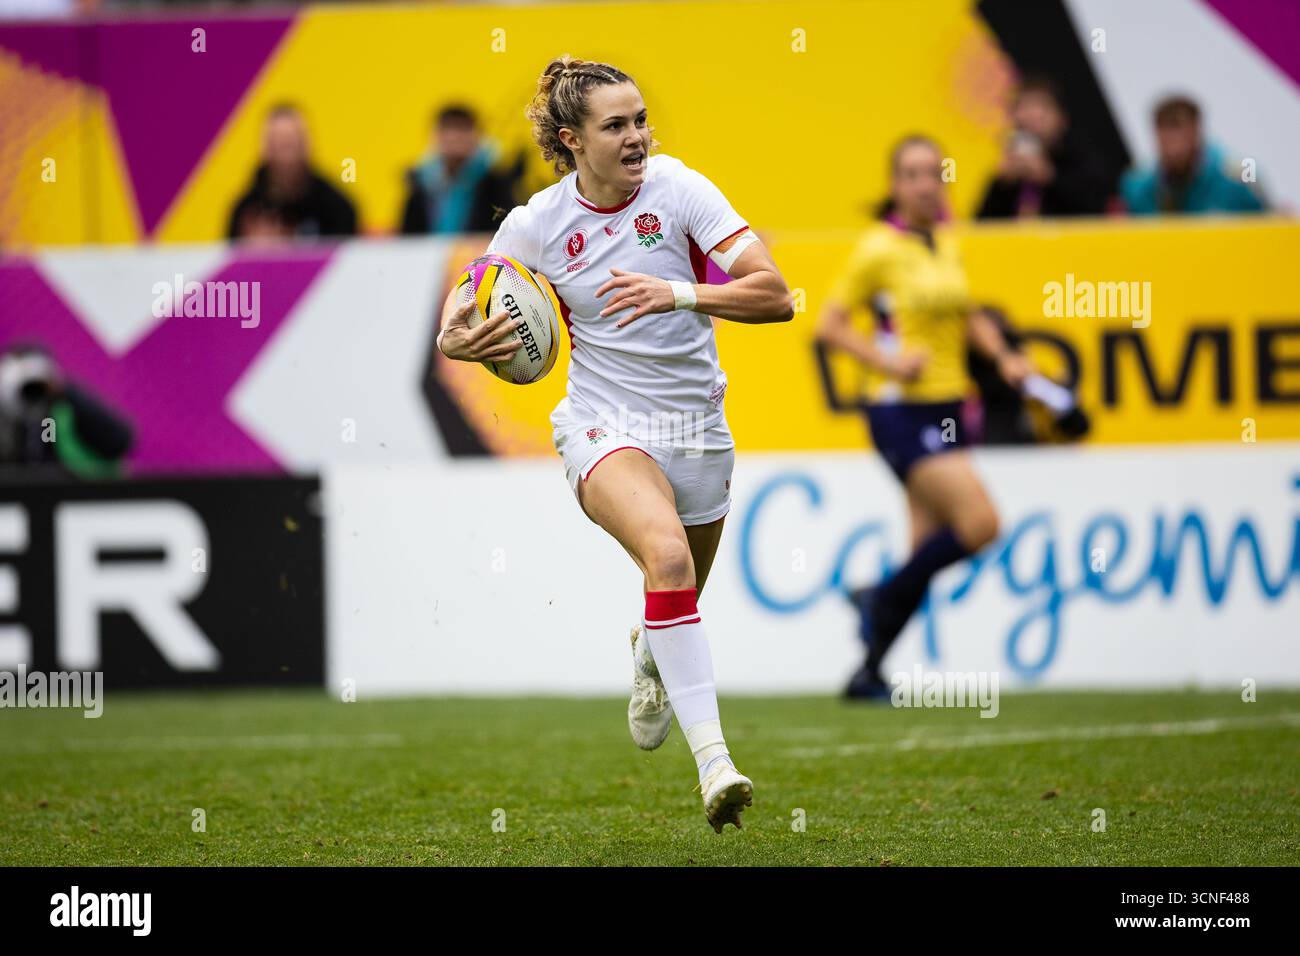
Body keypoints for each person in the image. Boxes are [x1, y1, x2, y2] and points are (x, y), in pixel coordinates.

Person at [435, 56, 793, 832]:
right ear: (571, 139)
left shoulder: (681, 190)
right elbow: (470, 299)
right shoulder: (535, 222)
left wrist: (680, 291)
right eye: (616, 125)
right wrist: (456, 334)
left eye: (640, 121)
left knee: (678, 593)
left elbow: (777, 296)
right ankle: (717, 767)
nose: (637, 137)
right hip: (604, 425)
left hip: (697, 432)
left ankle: (649, 653)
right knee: (665, 559)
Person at [817, 135, 1035, 699]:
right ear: (895, 185)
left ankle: (867, 671)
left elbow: (965, 315)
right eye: (911, 174)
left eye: (932, 173)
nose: (923, 184)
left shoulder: (945, 240)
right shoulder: (878, 249)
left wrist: (1005, 357)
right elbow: (830, 326)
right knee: (981, 525)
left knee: (924, 549)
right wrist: (887, 360)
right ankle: (877, 597)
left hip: (947, 408)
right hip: (898, 409)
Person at [977, 75, 1111, 220]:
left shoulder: (1082, 159)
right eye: (1023, 112)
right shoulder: (1011, 171)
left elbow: (1096, 212)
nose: (1032, 121)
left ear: (1062, 118)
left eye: (1041, 113)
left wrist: (1049, 177)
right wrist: (1002, 185)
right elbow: (983, 227)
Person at [227, 104, 358, 241]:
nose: (286, 157)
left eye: (291, 143)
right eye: (279, 145)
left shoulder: (336, 208)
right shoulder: (246, 212)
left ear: (305, 145)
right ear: (266, 150)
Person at [0, 343, 133, 478]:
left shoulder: (60, 412)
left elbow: (120, 442)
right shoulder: (6, 418)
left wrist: (65, 391)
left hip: (75, 493)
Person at [1119, 95, 1267, 215]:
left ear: (1197, 132)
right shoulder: (1137, 184)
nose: (1174, 151)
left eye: (1180, 138)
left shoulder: (1241, 176)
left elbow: (1269, 226)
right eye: (1166, 141)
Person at [399, 105, 520, 235]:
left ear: (478, 136)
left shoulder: (496, 184)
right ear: (435, 135)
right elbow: (407, 238)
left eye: (462, 129)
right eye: (448, 128)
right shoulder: (420, 185)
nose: (454, 137)